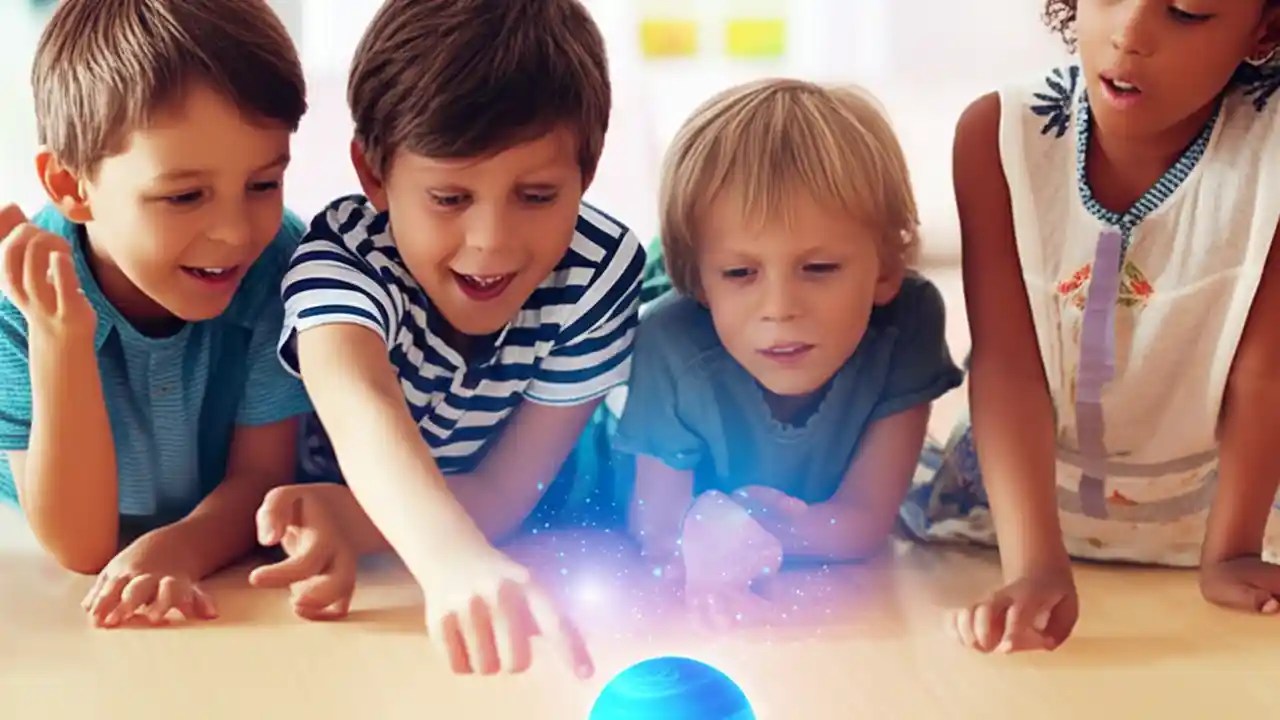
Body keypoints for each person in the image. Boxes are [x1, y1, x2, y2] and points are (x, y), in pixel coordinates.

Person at [248, 0, 644, 678]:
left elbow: (502, 492)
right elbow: (356, 396)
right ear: (374, 174)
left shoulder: (600, 271)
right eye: (449, 199)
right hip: (376, 565)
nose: (491, 242)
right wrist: (449, 558)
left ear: (588, 168)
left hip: (532, 529)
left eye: (538, 195)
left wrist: (371, 527)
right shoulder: (344, 257)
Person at [901, 0, 1280, 653]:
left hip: (1224, 514)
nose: (1129, 35)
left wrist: (1232, 552)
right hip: (1007, 521)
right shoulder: (999, 134)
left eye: (1187, 12)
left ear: (1265, 28)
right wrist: (1034, 568)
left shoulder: (1271, 153)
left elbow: (1265, 371)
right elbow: (1006, 365)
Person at [0, 0, 311, 627]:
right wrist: (60, 339)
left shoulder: (279, 269)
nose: (234, 232)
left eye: (263, 184)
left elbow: (261, 478)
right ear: (70, 187)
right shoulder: (22, 299)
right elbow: (83, 547)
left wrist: (181, 547)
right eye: (185, 195)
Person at [615, 78, 963, 622]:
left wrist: (757, 533)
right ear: (699, 282)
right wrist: (722, 546)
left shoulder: (909, 320)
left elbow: (865, 523)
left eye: (819, 268)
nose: (779, 307)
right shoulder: (669, 341)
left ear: (887, 268)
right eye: (739, 273)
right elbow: (657, 529)